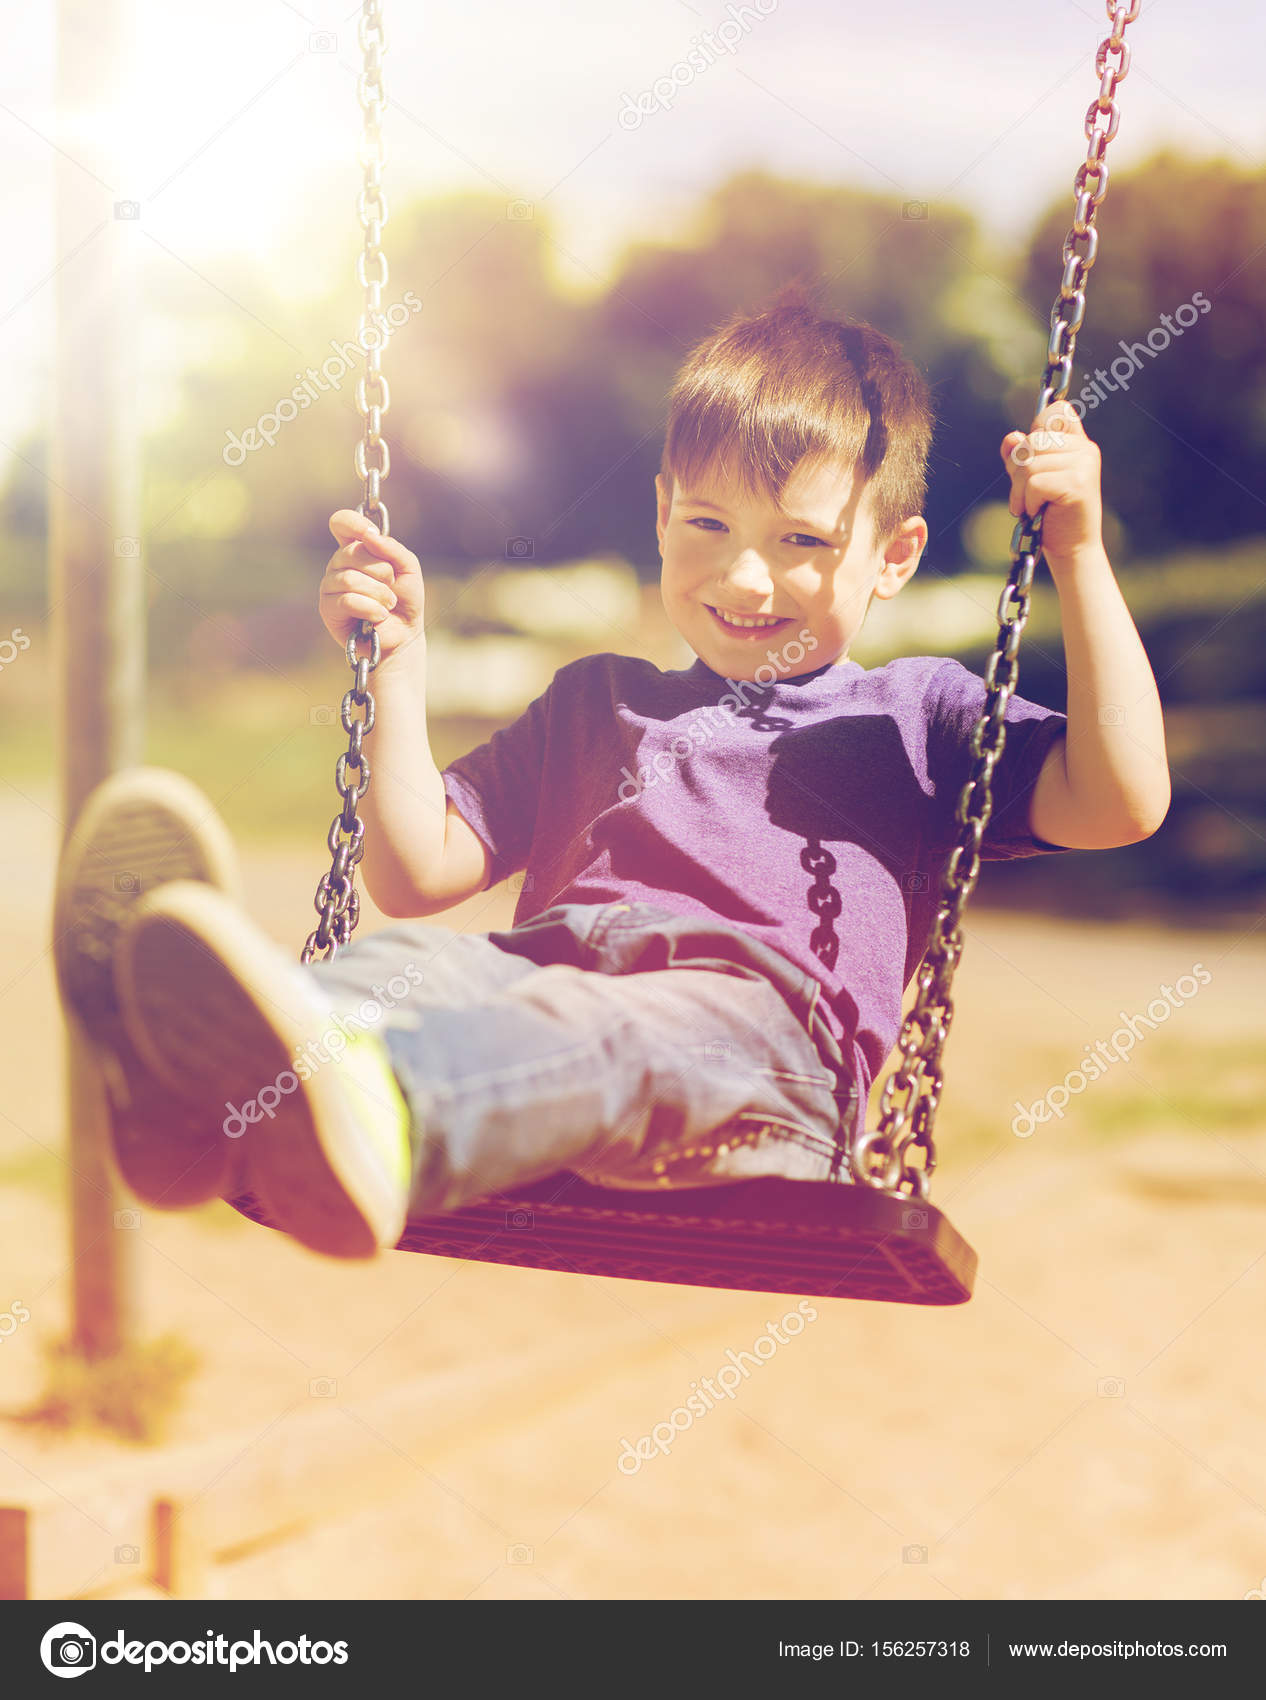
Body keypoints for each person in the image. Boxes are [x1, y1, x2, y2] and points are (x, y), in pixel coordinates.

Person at [51, 288, 1171, 1261]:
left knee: (613, 1031)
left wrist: (1074, 554)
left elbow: (1123, 798)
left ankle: (381, 1112)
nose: (746, 574)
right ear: (659, 514)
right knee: (412, 966)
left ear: (895, 553)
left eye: (803, 542)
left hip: (756, 1064)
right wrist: (397, 665)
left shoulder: (912, 716)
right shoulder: (600, 701)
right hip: (540, 996)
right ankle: (208, 1089)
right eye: (710, 523)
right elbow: (416, 870)